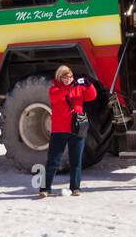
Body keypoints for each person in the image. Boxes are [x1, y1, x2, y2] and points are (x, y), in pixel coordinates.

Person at [39, 66, 97, 198]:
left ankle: (75, 187)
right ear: (59, 77)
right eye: (65, 77)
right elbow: (58, 98)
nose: (68, 79)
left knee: (76, 160)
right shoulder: (54, 89)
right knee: (53, 160)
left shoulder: (79, 88)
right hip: (59, 130)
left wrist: (88, 85)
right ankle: (45, 188)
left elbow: (92, 96)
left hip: (77, 129)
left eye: (70, 77)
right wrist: (71, 87)